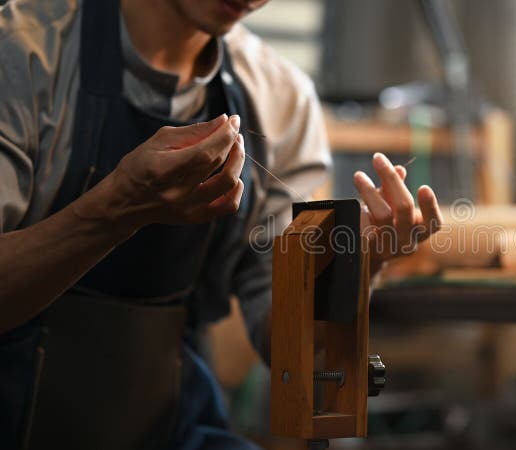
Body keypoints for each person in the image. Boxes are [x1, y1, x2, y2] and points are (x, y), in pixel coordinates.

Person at [0, 0, 443, 448]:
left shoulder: (280, 99)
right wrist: (114, 210)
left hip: (173, 424)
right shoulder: (20, 54)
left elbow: (299, 358)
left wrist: (354, 273)